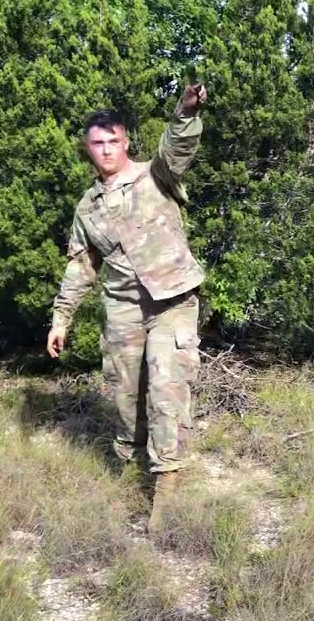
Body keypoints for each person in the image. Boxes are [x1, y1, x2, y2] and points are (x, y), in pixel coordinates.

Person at [46, 82, 208, 532]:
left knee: (165, 388)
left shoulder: (155, 176)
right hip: (123, 308)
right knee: (126, 396)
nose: (106, 150)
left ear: (126, 142)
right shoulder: (87, 208)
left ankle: (167, 491)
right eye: (97, 144)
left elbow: (177, 148)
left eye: (113, 141)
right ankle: (131, 476)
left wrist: (185, 111)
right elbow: (81, 266)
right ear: (88, 148)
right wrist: (61, 320)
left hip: (172, 301)